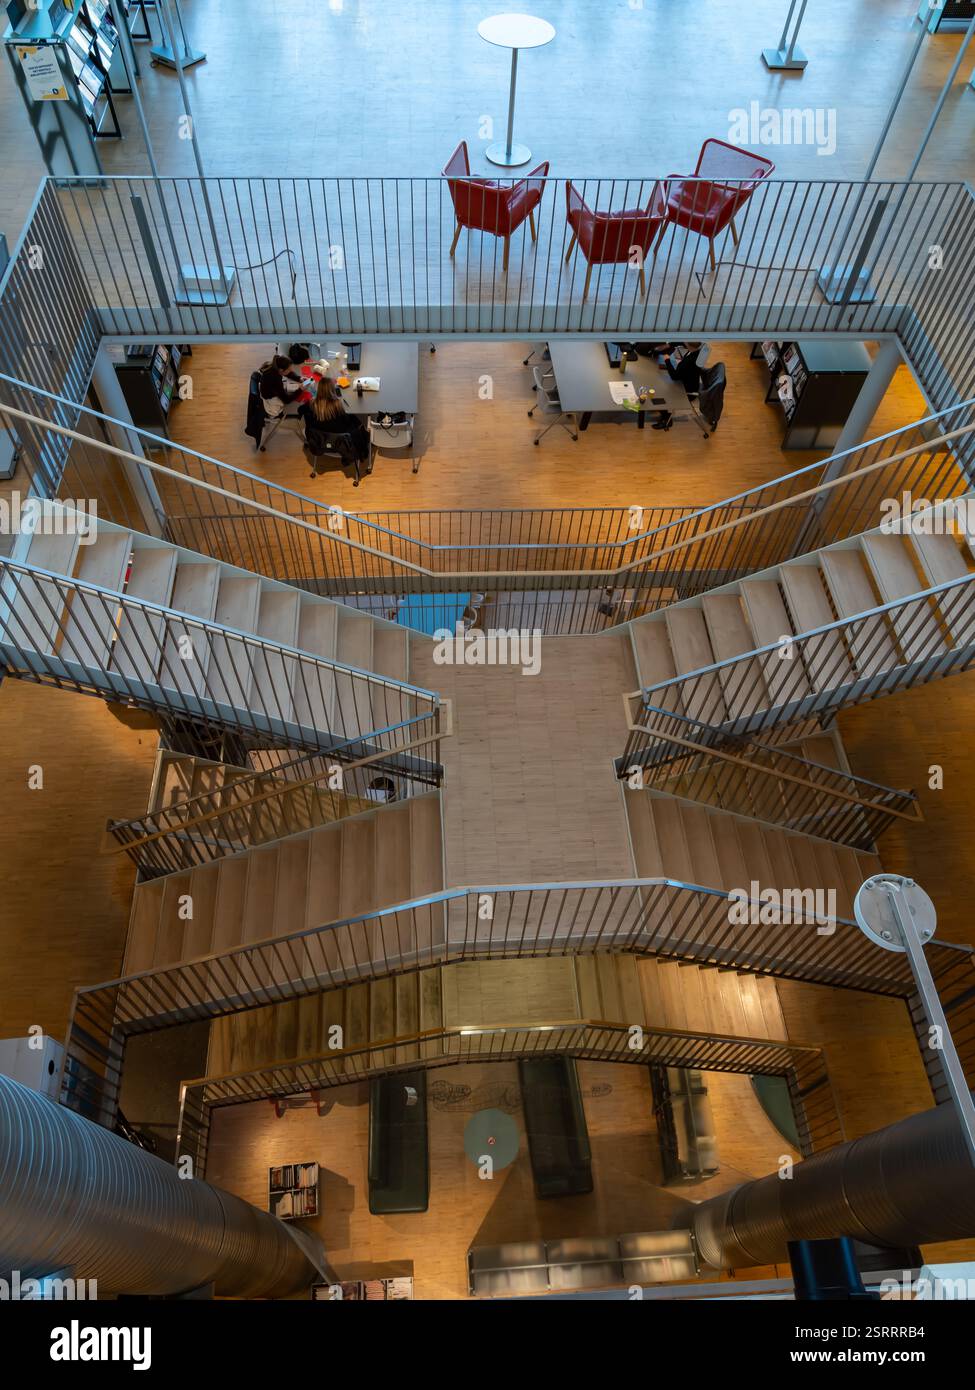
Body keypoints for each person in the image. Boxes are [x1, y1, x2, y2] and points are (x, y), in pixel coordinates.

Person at [298, 376, 371, 463]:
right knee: (355, 420)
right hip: (341, 443)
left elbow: (300, 410)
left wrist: (310, 401)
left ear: (319, 389)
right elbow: (347, 422)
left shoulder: (312, 404)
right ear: (333, 390)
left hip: (321, 442)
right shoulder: (338, 405)